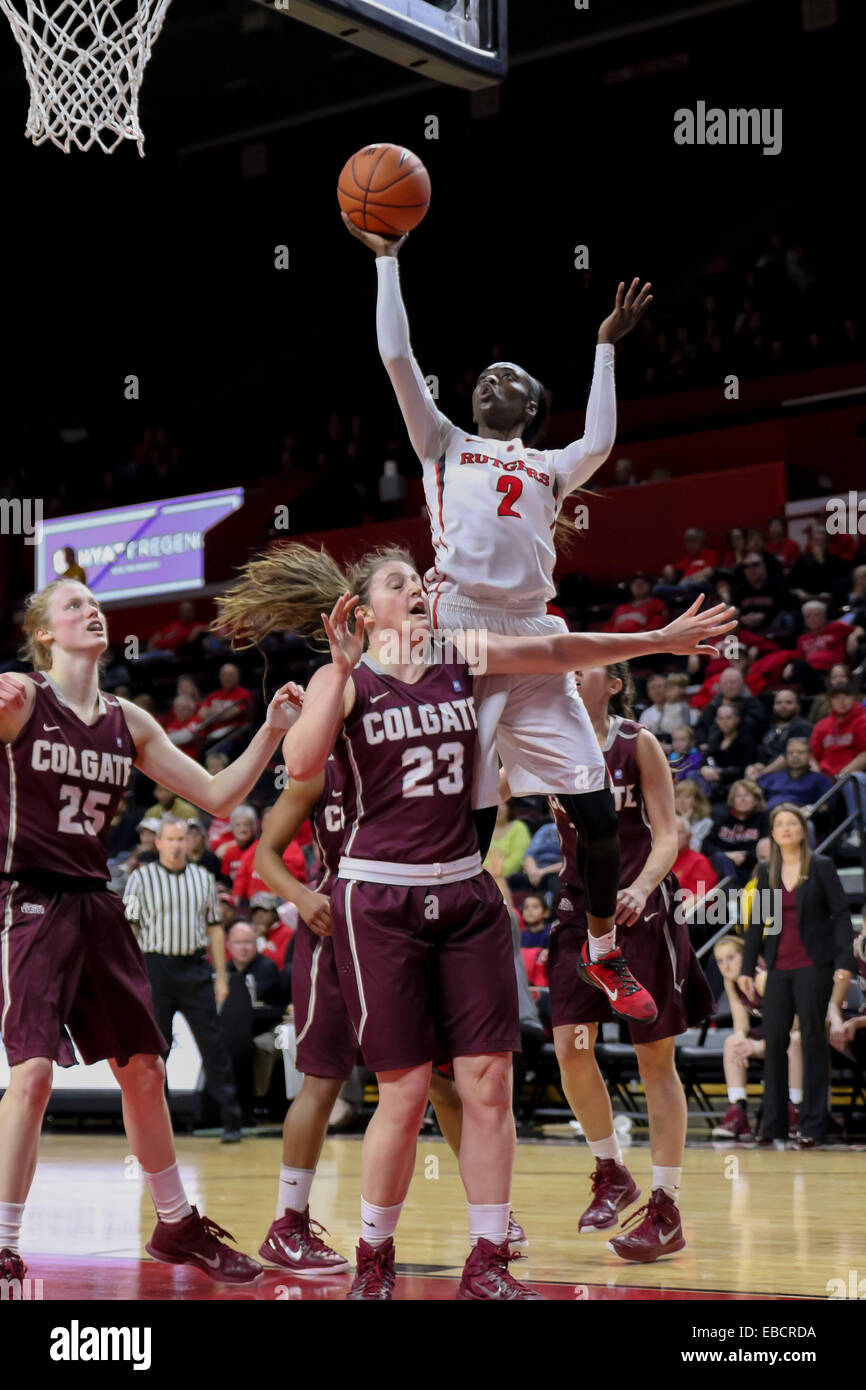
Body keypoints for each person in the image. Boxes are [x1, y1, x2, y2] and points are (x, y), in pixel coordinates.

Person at [214, 542, 734, 1298]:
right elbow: (299, 763)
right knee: (405, 1086)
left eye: (421, 580)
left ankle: (488, 1257)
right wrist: (340, 666)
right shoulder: (346, 680)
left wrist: (656, 639)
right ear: (365, 609)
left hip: (465, 892)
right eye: (400, 583)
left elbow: (557, 647)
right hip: (378, 898)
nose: (421, 588)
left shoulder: (466, 652)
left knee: (488, 1080)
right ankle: (375, 1259)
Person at [344, 214, 661, 1003]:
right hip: (459, 630)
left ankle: (601, 947)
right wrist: (387, 261)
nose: (492, 380)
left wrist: (605, 345)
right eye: (484, 375)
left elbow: (601, 437)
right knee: (473, 812)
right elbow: (395, 356)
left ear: (530, 404)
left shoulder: (553, 465)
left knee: (594, 809)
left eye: (510, 378)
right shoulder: (442, 443)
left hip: (532, 627)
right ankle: (442, 936)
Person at [0, 576, 303, 1287]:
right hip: (30, 898)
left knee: (144, 1069)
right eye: (72, 605)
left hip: (97, 904)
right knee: (34, 1074)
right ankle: (6, 1240)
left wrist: (271, 731)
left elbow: (221, 798)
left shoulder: (128, 721)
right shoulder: (21, 699)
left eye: (94, 602)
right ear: (45, 632)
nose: (90, 610)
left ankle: (176, 1225)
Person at [547, 663, 715, 1261]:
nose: (567, 673)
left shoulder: (635, 741)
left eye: (581, 667)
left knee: (653, 1058)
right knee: (571, 1045)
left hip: (639, 910)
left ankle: (666, 1207)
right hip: (576, 910)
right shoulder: (547, 738)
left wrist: (643, 887)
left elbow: (669, 834)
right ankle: (611, 1170)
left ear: (614, 683)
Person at [123, 815, 247, 1141]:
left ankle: (231, 1121)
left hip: (194, 968)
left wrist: (221, 975)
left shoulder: (203, 879)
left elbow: (214, 929)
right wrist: (133, 977)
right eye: (171, 839)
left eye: (182, 839)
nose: (177, 845)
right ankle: (156, 1122)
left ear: (189, 842)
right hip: (155, 968)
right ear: (159, 843)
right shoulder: (140, 879)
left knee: (213, 1046)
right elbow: (130, 929)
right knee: (155, 1052)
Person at [740, 803, 856, 1145]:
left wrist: (844, 962)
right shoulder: (766, 871)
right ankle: (772, 1126)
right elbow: (756, 924)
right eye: (780, 824)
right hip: (777, 968)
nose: (786, 829)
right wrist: (748, 968)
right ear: (773, 833)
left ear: (803, 830)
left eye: (792, 823)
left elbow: (840, 917)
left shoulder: (820, 866)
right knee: (773, 1043)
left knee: (812, 1042)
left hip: (813, 966)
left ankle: (813, 1126)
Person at [711, 935, 803, 1142]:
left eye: (731, 958)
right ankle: (738, 1113)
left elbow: (794, 1020)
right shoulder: (731, 982)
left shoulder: (762, 979)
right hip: (773, 1031)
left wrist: (761, 1044)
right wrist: (742, 1040)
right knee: (732, 1043)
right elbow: (741, 1023)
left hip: (797, 1027)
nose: (725, 965)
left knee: (794, 1041)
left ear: (747, 957)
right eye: (720, 960)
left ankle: (796, 1111)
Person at [221, 921, 286, 1124]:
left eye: (248, 942)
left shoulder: (266, 967)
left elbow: (274, 1009)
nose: (243, 947)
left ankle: (255, 1100)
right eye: (238, 942)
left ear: (255, 944)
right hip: (236, 1030)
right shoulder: (224, 970)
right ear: (229, 946)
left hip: (269, 1028)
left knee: (259, 1047)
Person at [702, 780, 769, 887]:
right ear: (733, 801)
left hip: (750, 867)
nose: (742, 799)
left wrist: (745, 856)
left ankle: (733, 898)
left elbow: (767, 846)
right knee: (719, 859)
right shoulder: (722, 818)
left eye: (747, 795)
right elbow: (707, 844)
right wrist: (726, 856)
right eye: (738, 796)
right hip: (722, 867)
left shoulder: (764, 819)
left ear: (756, 800)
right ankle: (733, 896)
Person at [745, 689, 815, 779]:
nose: (783, 706)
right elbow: (763, 755)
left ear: (798, 707)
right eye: (778, 702)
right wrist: (755, 768)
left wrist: (763, 773)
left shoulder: (803, 727)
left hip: (792, 777)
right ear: (773, 706)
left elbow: (787, 756)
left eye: (788, 702)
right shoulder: (773, 728)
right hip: (768, 775)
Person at [699, 703, 757, 800]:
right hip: (713, 781)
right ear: (717, 721)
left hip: (734, 782)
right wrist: (703, 769)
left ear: (737, 719)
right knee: (693, 774)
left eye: (728, 718)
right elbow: (706, 759)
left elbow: (745, 767)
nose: (724, 722)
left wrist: (721, 773)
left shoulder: (745, 740)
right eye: (721, 718)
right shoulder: (715, 738)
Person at [757, 738, 833, 812]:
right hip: (768, 816)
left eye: (800, 752)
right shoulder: (773, 777)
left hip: (800, 818)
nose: (795, 755)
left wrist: (810, 809)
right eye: (791, 753)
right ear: (785, 757)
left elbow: (826, 805)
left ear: (810, 756)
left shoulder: (819, 779)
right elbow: (753, 794)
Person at [675, 779, 714, 850]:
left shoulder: (705, 822)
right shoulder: (667, 819)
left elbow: (695, 848)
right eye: (677, 796)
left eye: (686, 797)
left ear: (696, 800)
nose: (681, 801)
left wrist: (684, 822)